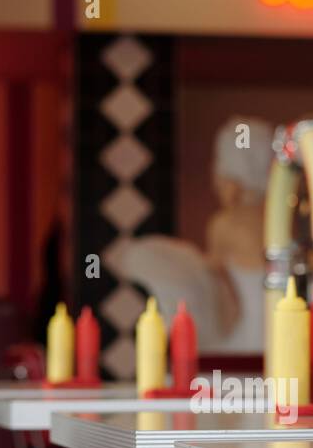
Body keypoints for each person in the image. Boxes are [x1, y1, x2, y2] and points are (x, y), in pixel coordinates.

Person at [108, 116, 272, 353]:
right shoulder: (281, 220)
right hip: (281, 330)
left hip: (244, 334)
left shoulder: (224, 224)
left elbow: (218, 286)